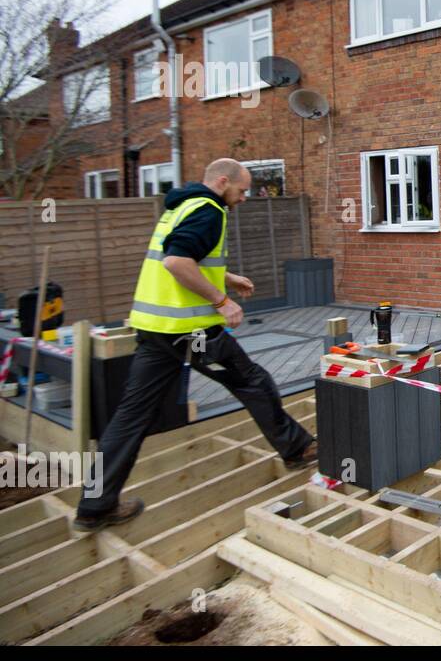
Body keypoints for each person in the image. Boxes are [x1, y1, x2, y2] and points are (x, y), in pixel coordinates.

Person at [74, 159, 316, 531]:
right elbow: (176, 262)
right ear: (222, 182)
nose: (245, 197)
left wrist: (228, 277)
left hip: (155, 331)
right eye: (242, 189)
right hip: (193, 333)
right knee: (253, 381)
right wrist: (222, 301)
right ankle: (297, 449)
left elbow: (183, 258)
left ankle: (95, 505)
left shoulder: (181, 206)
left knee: (130, 415)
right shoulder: (208, 210)